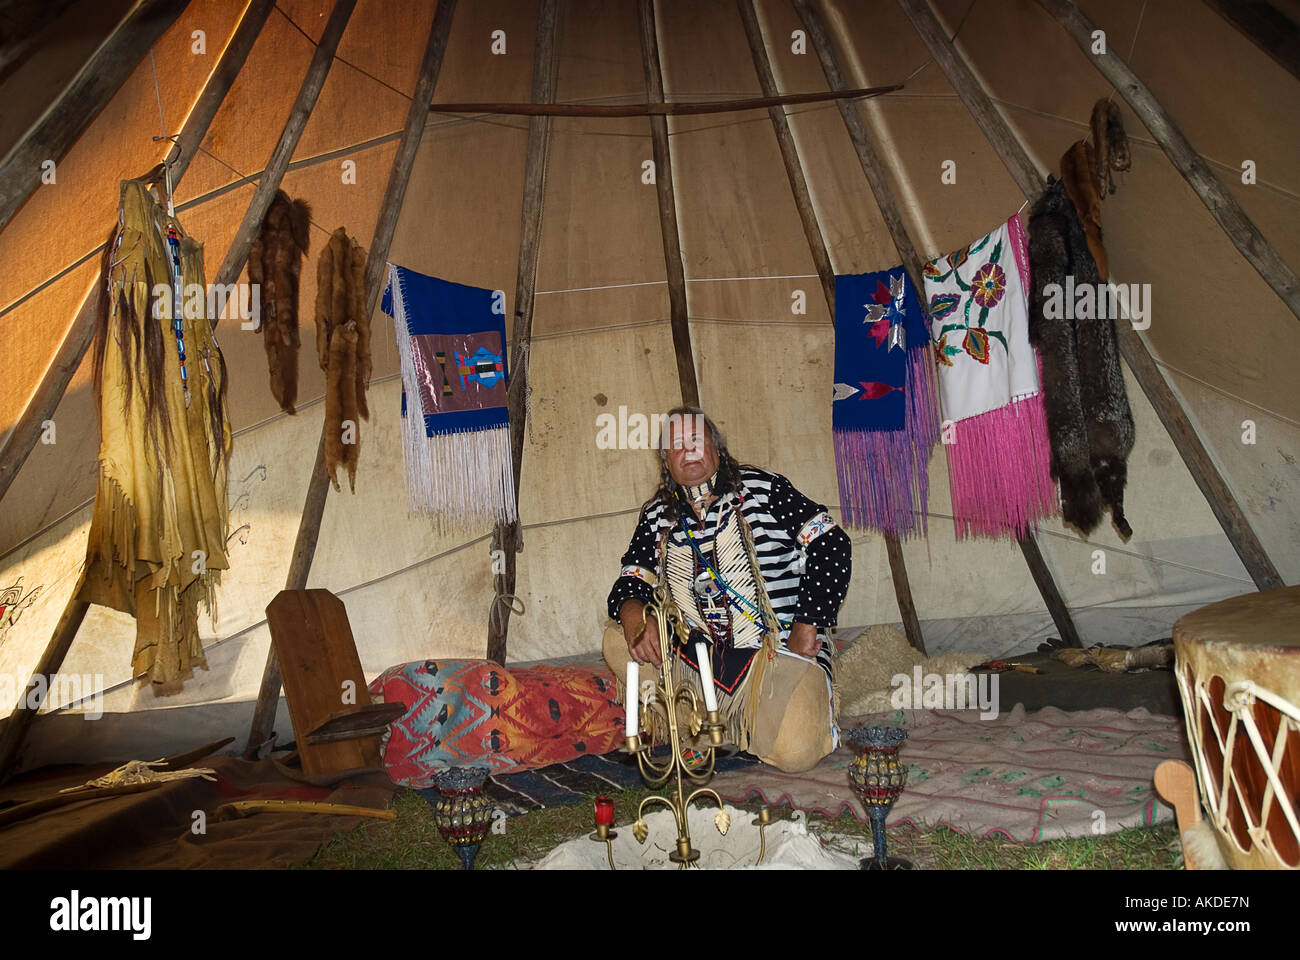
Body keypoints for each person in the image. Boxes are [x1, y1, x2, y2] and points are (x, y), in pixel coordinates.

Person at [604, 406, 852, 772]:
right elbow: (630, 582)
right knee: (616, 639)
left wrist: (806, 625)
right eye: (676, 445)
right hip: (698, 663)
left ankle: (738, 726)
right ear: (666, 463)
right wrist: (636, 619)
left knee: (797, 753)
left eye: (695, 440)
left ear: (717, 449)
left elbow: (830, 544)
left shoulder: (764, 489)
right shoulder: (658, 515)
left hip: (777, 658)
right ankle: (716, 724)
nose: (688, 451)